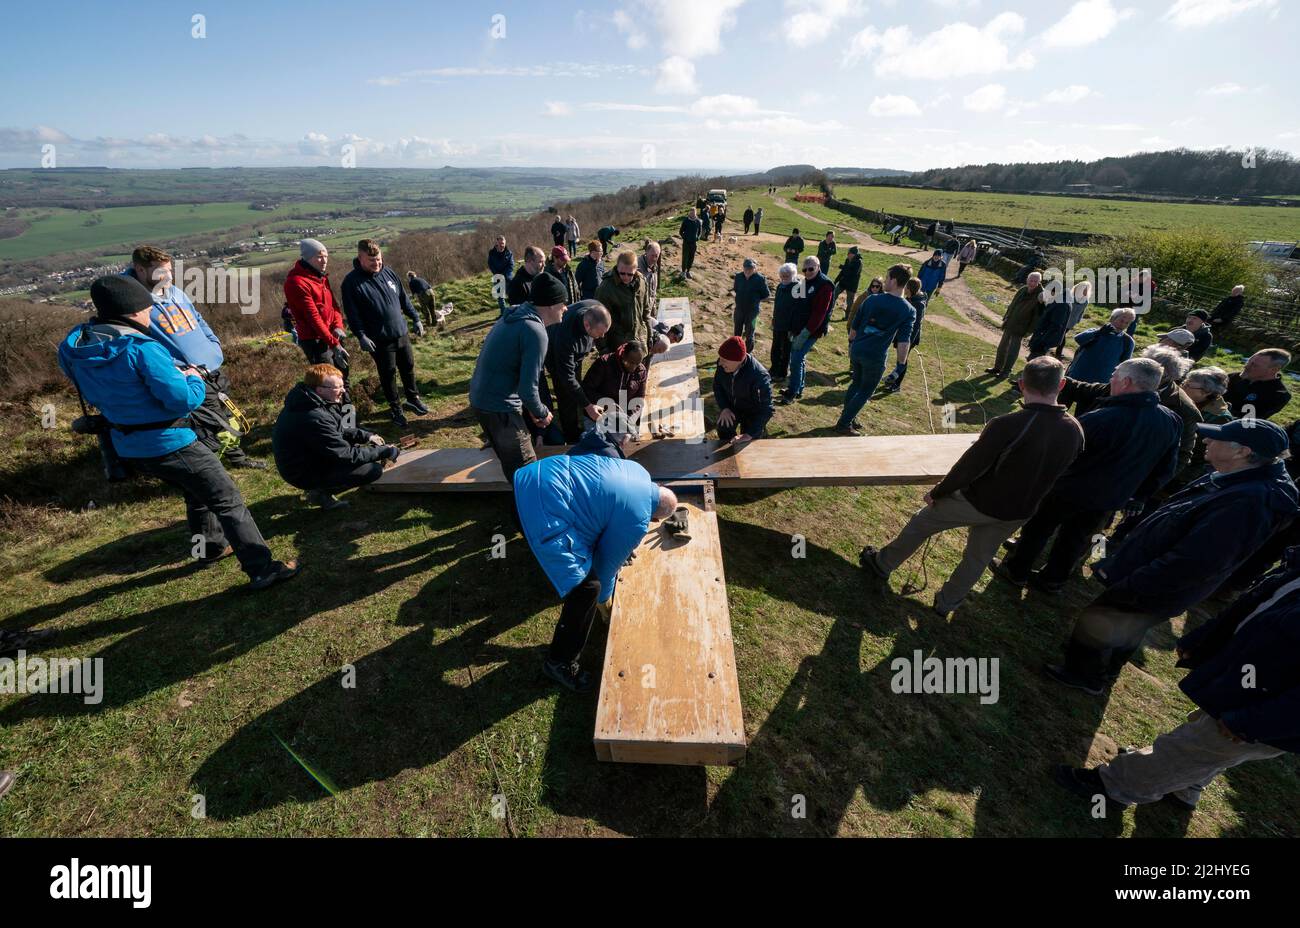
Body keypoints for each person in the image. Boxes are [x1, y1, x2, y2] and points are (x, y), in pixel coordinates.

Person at [58, 276, 299, 590]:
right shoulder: (141, 348)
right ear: (131, 311)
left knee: (195, 489)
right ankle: (262, 568)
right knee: (227, 500)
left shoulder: (75, 345)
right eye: (148, 309)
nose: (152, 315)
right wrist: (194, 376)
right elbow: (182, 400)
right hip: (170, 440)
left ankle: (209, 548)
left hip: (127, 444)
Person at [1043, 418, 1297, 697]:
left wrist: (1136, 583)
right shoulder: (1234, 476)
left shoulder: (1247, 503)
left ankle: (1084, 674)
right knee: (1128, 626)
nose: (1206, 441)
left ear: (1242, 451)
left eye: (1216, 439)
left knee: (1102, 618)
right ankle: (1106, 666)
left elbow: (1195, 561)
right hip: (1154, 578)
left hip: (1155, 584)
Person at [1055, 547, 1300, 811]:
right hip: (1247, 685)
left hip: (1265, 710)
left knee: (1195, 746)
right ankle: (1186, 787)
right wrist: (1206, 637)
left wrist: (1248, 723)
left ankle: (1114, 787)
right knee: (1207, 739)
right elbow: (1256, 605)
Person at [861, 357, 1085, 617]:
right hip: (1019, 511)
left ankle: (882, 563)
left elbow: (969, 468)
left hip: (978, 501)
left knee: (921, 523)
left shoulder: (1008, 424)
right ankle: (947, 603)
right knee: (978, 558)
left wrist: (938, 492)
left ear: (1022, 385)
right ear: (1062, 385)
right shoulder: (1076, 430)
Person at [992, 358, 1182, 594]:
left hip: (1069, 490)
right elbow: (1166, 467)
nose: (1110, 379)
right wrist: (1139, 496)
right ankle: (1053, 580)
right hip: (1111, 498)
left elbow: (1060, 454)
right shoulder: (1171, 420)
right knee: (1076, 539)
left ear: (1126, 382)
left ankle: (1016, 570)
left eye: (1115, 374)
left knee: (1038, 529)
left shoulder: (1100, 419)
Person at [514, 447, 679, 691]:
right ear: (655, 519)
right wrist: (606, 606)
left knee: (582, 544)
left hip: (531, 478)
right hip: (546, 509)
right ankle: (560, 663)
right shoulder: (639, 518)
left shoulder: (638, 471)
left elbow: (602, 503)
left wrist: (619, 540)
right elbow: (604, 569)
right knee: (587, 589)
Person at [126, 245, 263, 469]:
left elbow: (197, 319)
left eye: (170, 270)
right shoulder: (135, 304)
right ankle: (211, 469)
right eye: (161, 271)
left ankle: (237, 458)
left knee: (225, 413)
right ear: (140, 270)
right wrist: (176, 368)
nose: (168, 276)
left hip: (211, 366)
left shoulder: (174, 291)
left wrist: (213, 344)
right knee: (208, 421)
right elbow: (140, 345)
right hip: (189, 374)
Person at [468, 273, 569, 481]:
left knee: (511, 464)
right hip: (499, 407)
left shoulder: (515, 314)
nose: (566, 308)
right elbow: (528, 389)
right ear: (550, 305)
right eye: (563, 302)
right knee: (526, 472)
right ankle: (525, 512)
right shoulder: (535, 331)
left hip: (480, 400)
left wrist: (532, 410)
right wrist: (542, 412)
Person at [272, 364, 399, 510]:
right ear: (320, 389)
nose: (343, 390)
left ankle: (321, 487)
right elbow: (346, 455)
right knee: (371, 470)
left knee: (358, 452)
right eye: (338, 387)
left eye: (342, 385)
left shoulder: (316, 401)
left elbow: (340, 427)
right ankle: (319, 492)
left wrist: (367, 437)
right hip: (301, 471)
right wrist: (383, 452)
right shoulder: (313, 417)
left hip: (313, 457)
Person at [341, 239, 428, 428]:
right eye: (372, 261)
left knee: (408, 366)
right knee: (388, 374)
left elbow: (404, 299)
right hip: (378, 338)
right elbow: (352, 314)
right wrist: (361, 335)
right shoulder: (351, 283)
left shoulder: (388, 272)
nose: (377, 264)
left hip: (401, 332)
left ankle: (413, 399)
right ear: (360, 258)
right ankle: (395, 408)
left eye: (379, 259)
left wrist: (416, 319)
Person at [834, 263, 915, 434]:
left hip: (857, 349)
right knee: (865, 390)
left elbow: (854, 326)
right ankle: (844, 423)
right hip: (875, 356)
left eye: (887, 278)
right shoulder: (908, 310)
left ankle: (848, 416)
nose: (885, 281)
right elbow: (904, 341)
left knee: (856, 383)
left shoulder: (872, 299)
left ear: (894, 280)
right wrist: (901, 365)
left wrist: (852, 345)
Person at [545, 300, 611, 443]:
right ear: (587, 326)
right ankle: (571, 435)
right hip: (555, 357)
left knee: (577, 386)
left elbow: (599, 334)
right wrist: (588, 406)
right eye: (599, 334)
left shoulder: (595, 308)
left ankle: (580, 415)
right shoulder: (566, 336)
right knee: (566, 394)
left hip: (577, 354)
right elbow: (567, 376)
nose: (602, 337)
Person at [284, 239, 349, 380]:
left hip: (332, 335)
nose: (324, 260)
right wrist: (333, 344)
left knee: (344, 373)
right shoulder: (297, 282)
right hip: (314, 340)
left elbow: (334, 306)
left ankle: (346, 402)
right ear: (307, 258)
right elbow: (313, 317)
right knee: (328, 379)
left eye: (326, 256)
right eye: (319, 256)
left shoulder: (321, 277)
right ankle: (333, 403)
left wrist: (338, 326)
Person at [1162, 366, 1233, 494]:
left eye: (1188, 385)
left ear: (1206, 392)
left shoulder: (1218, 419)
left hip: (1179, 473)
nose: (1182, 387)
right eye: (1184, 382)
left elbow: (1199, 453)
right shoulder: (1178, 400)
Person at [779, 255, 835, 405]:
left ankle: (792, 391)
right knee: (799, 358)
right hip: (799, 328)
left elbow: (819, 314)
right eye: (805, 269)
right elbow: (798, 306)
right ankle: (798, 388)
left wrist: (804, 334)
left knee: (796, 358)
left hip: (811, 330)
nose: (808, 272)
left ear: (818, 267)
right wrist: (792, 327)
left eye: (811, 268)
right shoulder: (805, 282)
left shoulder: (825, 286)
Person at [713, 336, 774, 443]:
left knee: (748, 442)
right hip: (733, 406)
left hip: (752, 412)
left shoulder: (759, 376)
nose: (719, 363)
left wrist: (749, 434)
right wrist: (725, 408)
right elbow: (717, 387)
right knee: (724, 426)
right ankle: (728, 447)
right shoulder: (723, 365)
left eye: (724, 360)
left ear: (739, 360)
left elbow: (766, 409)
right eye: (720, 358)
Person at [989, 271, 1045, 382]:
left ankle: (1006, 372)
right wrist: (1006, 317)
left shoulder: (1041, 295)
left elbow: (1038, 316)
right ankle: (997, 368)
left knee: (1012, 350)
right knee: (1002, 347)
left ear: (1039, 282)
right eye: (1030, 280)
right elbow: (1013, 304)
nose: (1032, 283)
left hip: (1022, 327)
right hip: (1010, 323)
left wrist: (1029, 330)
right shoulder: (1023, 289)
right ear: (1027, 279)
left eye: (1035, 281)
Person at [595, 251, 651, 353]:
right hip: (617, 344)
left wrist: (650, 335)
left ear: (636, 270)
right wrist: (603, 348)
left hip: (640, 341)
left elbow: (646, 312)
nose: (625, 277)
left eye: (630, 274)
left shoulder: (642, 282)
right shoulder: (606, 288)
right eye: (622, 273)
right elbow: (598, 320)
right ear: (617, 267)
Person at [880, 277, 927, 395]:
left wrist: (908, 341)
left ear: (910, 289)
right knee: (899, 359)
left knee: (902, 360)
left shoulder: (919, 304)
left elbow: (915, 325)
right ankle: (894, 377)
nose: (904, 289)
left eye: (906, 287)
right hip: (902, 334)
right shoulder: (911, 298)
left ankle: (896, 385)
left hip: (910, 337)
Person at [1065, 308, 1135, 385]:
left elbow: (1124, 364)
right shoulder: (1097, 331)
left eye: (1127, 323)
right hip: (1078, 375)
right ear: (1112, 319)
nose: (1123, 325)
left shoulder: (1127, 341)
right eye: (1121, 320)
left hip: (1101, 382)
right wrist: (1098, 333)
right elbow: (1078, 339)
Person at [582, 340, 648, 419]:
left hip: (623, 418)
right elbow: (586, 389)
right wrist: (606, 404)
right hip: (598, 415)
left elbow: (639, 398)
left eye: (637, 363)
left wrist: (630, 417)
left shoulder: (641, 371)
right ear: (623, 354)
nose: (633, 368)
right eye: (630, 362)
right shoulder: (604, 363)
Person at [1226, 349, 1292, 420]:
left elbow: (1249, 421)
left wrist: (1222, 411)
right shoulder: (1233, 377)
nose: (1246, 366)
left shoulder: (1279, 395)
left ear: (1274, 369)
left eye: (1254, 365)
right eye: (1248, 361)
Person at [732, 258, 772, 354]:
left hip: (753, 311)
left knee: (750, 332)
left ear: (755, 268)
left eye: (750, 268)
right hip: (739, 309)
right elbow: (736, 289)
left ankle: (747, 354)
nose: (748, 270)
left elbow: (766, 294)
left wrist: (755, 300)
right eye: (746, 267)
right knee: (737, 332)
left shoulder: (760, 279)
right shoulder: (738, 276)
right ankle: (736, 351)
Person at [1027, 282, 1071, 368]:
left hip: (1044, 339)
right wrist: (1041, 304)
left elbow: (1056, 325)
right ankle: (1025, 379)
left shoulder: (1062, 304)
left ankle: (1028, 380)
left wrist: (1042, 340)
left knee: (1034, 363)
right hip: (1043, 336)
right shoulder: (1057, 301)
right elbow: (1046, 316)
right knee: (1033, 361)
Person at [769, 263, 797, 382]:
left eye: (787, 275)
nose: (784, 277)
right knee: (775, 347)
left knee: (786, 350)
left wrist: (794, 327)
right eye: (782, 275)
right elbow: (777, 304)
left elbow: (799, 309)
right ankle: (773, 369)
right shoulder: (780, 286)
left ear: (793, 275)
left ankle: (782, 373)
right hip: (778, 323)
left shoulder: (798, 287)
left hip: (789, 325)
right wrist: (773, 319)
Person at [1056, 280, 1092, 360]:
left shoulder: (1085, 301)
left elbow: (1082, 311)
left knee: (1062, 335)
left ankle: (1057, 351)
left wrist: (1078, 320)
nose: (1085, 291)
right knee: (1061, 335)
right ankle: (1057, 351)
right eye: (1084, 289)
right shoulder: (1070, 297)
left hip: (1071, 321)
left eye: (1087, 290)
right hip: (1063, 319)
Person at [832, 247, 862, 322]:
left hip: (852, 285)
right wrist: (836, 280)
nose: (847, 254)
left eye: (849, 253)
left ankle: (847, 317)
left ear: (853, 254)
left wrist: (843, 267)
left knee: (849, 302)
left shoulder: (858, 263)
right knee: (834, 294)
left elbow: (852, 273)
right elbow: (842, 272)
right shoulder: (847, 260)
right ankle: (829, 310)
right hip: (843, 282)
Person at [487, 235, 515, 314]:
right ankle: (503, 314)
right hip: (497, 277)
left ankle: (514, 312)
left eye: (503, 243)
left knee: (512, 295)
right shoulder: (491, 253)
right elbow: (490, 264)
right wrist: (497, 274)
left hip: (508, 277)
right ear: (496, 244)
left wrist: (504, 275)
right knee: (500, 297)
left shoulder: (509, 253)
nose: (501, 245)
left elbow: (511, 265)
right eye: (500, 243)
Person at [679, 208, 703, 280]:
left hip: (694, 243)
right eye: (691, 213)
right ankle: (683, 272)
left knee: (691, 257)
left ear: (695, 213)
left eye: (694, 213)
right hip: (686, 242)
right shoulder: (686, 221)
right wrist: (684, 237)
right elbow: (681, 231)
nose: (692, 214)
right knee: (685, 257)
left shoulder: (698, 221)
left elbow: (700, 231)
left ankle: (688, 271)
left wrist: (697, 238)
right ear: (689, 213)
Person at [637, 240, 661, 310]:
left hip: (649, 309)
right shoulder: (637, 267)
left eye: (656, 256)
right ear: (646, 252)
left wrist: (653, 310)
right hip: (640, 309)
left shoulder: (654, 266)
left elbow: (653, 293)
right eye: (652, 255)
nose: (654, 258)